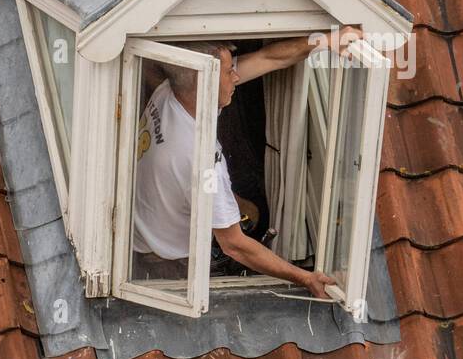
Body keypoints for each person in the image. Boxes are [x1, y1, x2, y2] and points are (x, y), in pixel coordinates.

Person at [130, 28, 362, 298]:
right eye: (229, 72)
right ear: (204, 81)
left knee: (247, 210)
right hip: (169, 265)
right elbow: (234, 246)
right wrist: (305, 277)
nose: (236, 76)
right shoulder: (200, 158)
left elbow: (269, 58)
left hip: (146, 231)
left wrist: (324, 41)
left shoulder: (171, 93)